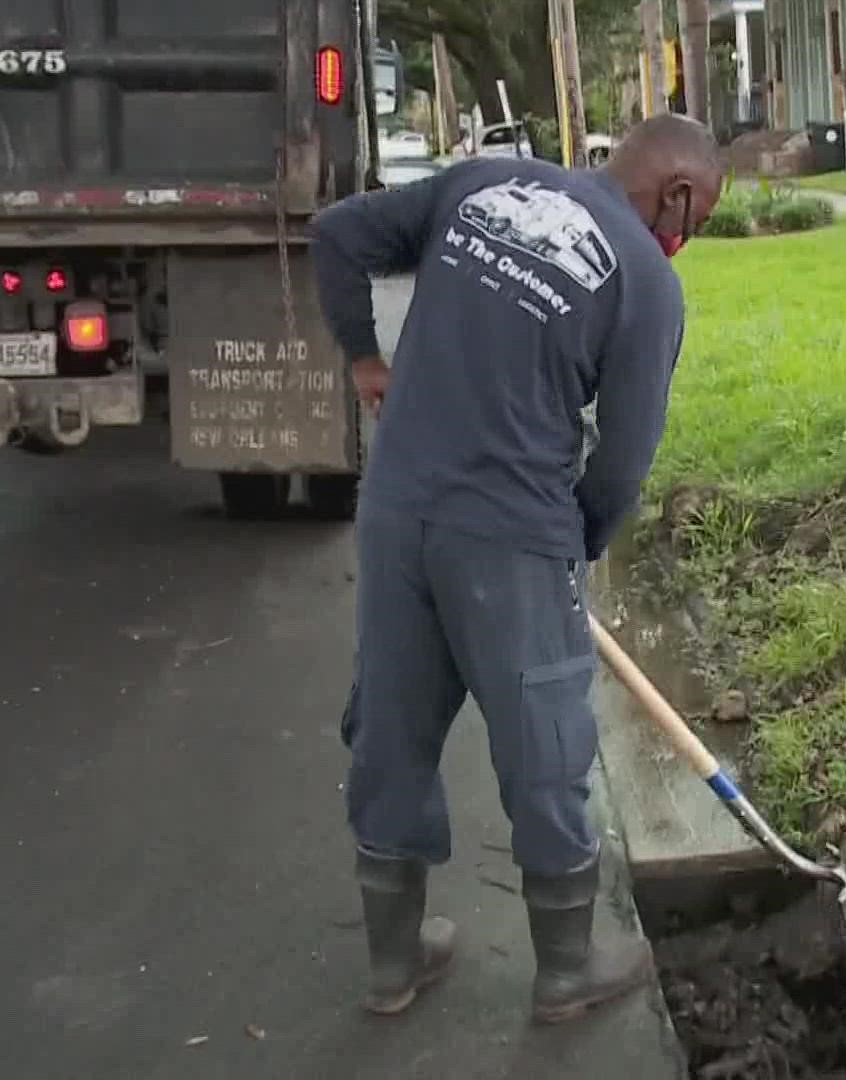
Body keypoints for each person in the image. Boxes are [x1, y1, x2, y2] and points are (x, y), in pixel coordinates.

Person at [306, 115, 724, 1025]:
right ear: (679, 195)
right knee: (544, 745)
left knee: (392, 724)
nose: (683, 241)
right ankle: (566, 973)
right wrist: (576, 544)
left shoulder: (482, 183)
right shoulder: (646, 282)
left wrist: (365, 360)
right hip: (511, 531)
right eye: (695, 221)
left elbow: (337, 233)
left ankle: (391, 963)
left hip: (396, 511)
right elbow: (623, 459)